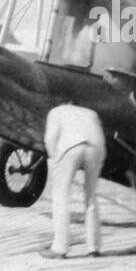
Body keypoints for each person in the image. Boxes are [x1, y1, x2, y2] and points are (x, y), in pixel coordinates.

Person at [40, 101, 106, 259]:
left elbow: (50, 139)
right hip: (97, 148)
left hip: (70, 147)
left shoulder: (56, 111)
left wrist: (54, 159)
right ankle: (93, 248)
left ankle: (59, 248)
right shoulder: (90, 111)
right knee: (91, 197)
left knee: (60, 195)